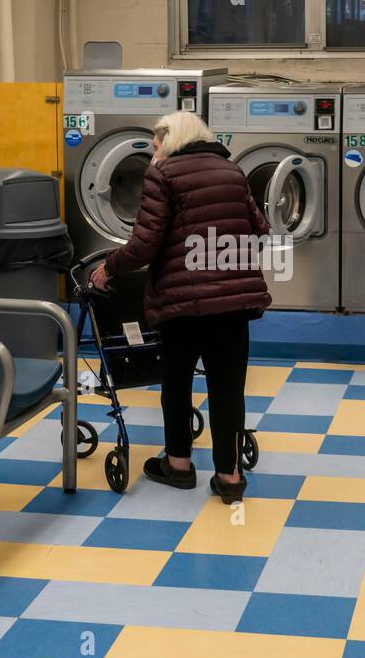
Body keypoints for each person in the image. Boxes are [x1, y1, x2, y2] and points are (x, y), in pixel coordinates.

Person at [90, 110, 271, 503]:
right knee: (228, 388)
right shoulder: (232, 171)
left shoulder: (163, 175)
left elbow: (145, 245)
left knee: (176, 384)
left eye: (156, 147)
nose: (153, 155)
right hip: (233, 303)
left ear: (170, 142)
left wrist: (108, 268)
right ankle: (229, 477)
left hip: (182, 304)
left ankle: (179, 466)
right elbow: (260, 229)